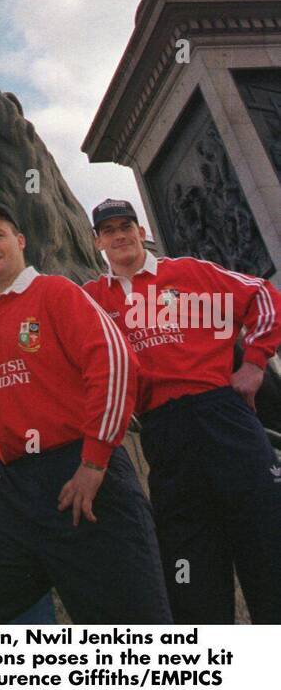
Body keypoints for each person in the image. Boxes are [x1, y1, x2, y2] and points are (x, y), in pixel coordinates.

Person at [0, 203, 171, 623]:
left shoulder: (56, 292)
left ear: (20, 241)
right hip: (19, 492)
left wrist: (94, 462)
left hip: (87, 481)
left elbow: (114, 362)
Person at [84, 198, 281, 623]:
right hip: (165, 435)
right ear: (98, 241)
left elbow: (264, 297)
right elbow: (39, 327)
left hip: (222, 418)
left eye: (126, 225)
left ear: (140, 232)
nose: (120, 235)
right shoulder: (93, 300)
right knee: (191, 579)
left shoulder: (190, 272)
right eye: (109, 230)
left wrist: (254, 363)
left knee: (268, 552)